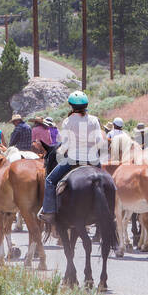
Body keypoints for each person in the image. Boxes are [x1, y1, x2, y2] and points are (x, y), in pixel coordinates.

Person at [38, 91, 106, 221]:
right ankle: (109, 210)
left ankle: (49, 211)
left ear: (71, 106)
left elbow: (65, 143)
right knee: (105, 181)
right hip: (92, 160)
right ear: (86, 105)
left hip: (73, 159)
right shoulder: (93, 120)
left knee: (50, 181)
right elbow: (99, 141)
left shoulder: (67, 121)